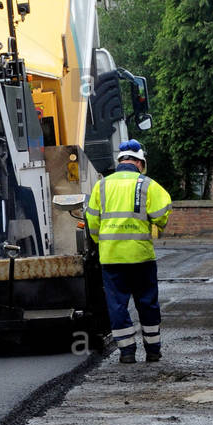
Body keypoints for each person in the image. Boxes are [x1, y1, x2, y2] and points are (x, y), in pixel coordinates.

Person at [84, 140, 173, 363]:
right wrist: (155, 226)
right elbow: (162, 212)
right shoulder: (147, 184)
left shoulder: (102, 185)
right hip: (141, 256)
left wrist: (101, 241)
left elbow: (92, 221)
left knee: (117, 305)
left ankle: (126, 352)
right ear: (140, 162)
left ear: (120, 161)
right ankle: (153, 351)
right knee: (147, 302)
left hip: (112, 257)